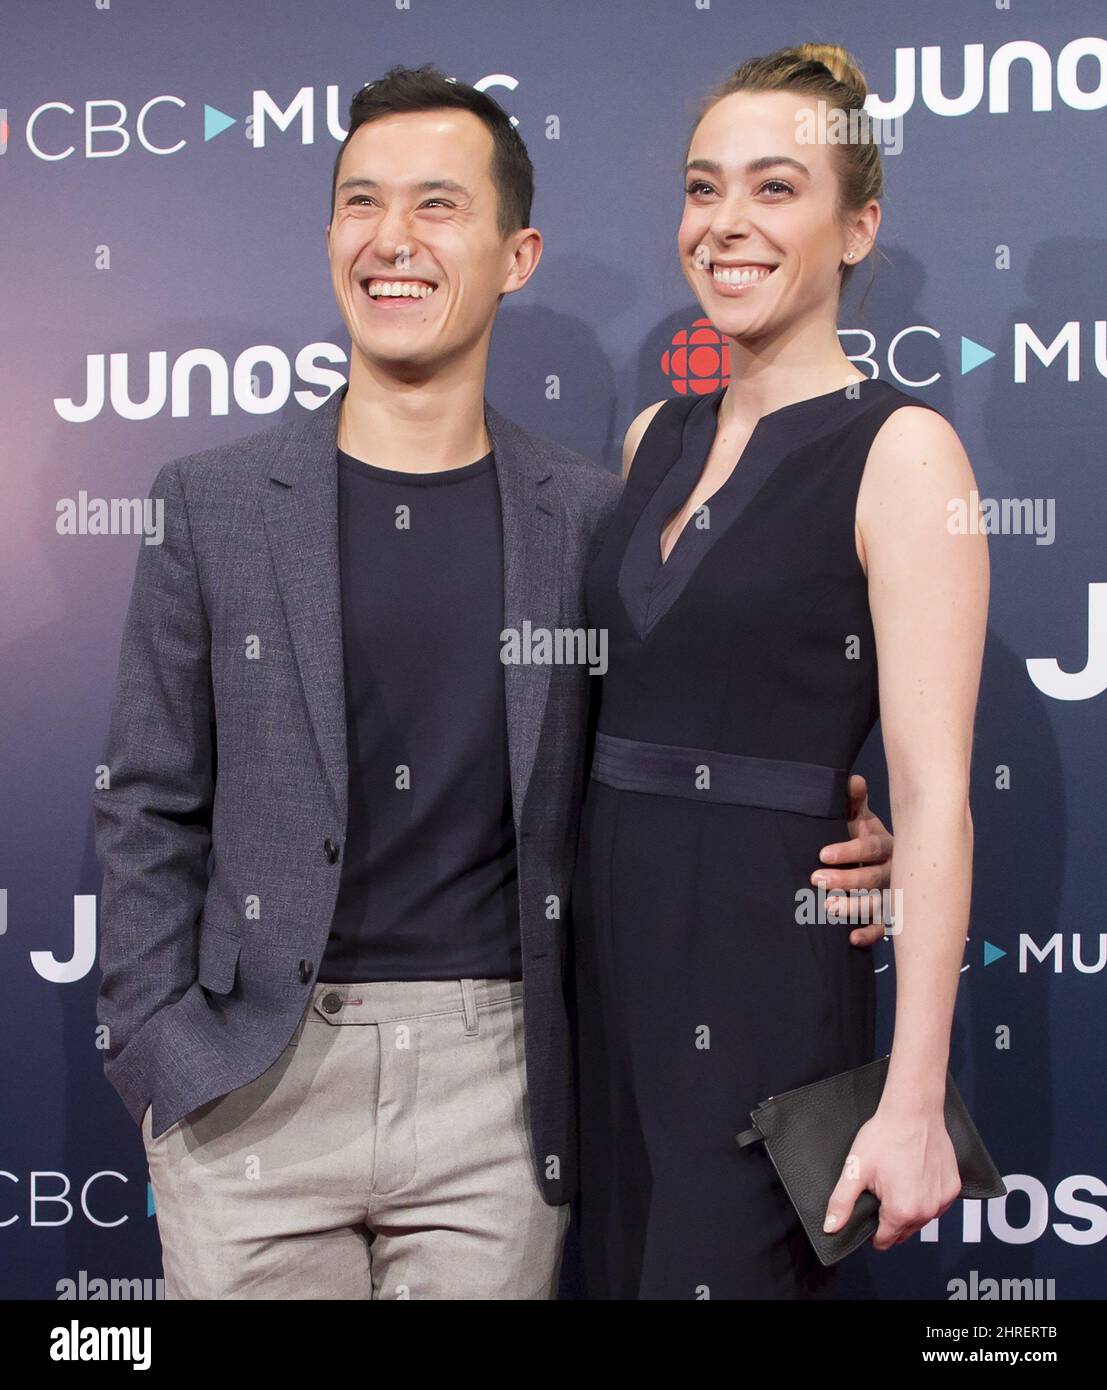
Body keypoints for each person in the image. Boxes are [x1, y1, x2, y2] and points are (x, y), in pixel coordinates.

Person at [93, 64, 895, 1301]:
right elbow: (144, 800)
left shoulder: (597, 516)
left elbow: (677, 746)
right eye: (362, 204)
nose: (392, 241)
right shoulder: (212, 505)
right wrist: (162, 1053)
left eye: (437, 206)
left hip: (504, 1088)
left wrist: (829, 829)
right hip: (249, 1083)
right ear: (327, 240)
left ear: (518, 254)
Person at [569, 43, 989, 1299]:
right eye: (704, 190)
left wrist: (915, 1098)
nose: (726, 225)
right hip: (600, 973)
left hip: (760, 980)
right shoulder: (654, 432)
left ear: (859, 226)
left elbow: (933, 800)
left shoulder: (904, 452)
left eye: (775, 188)